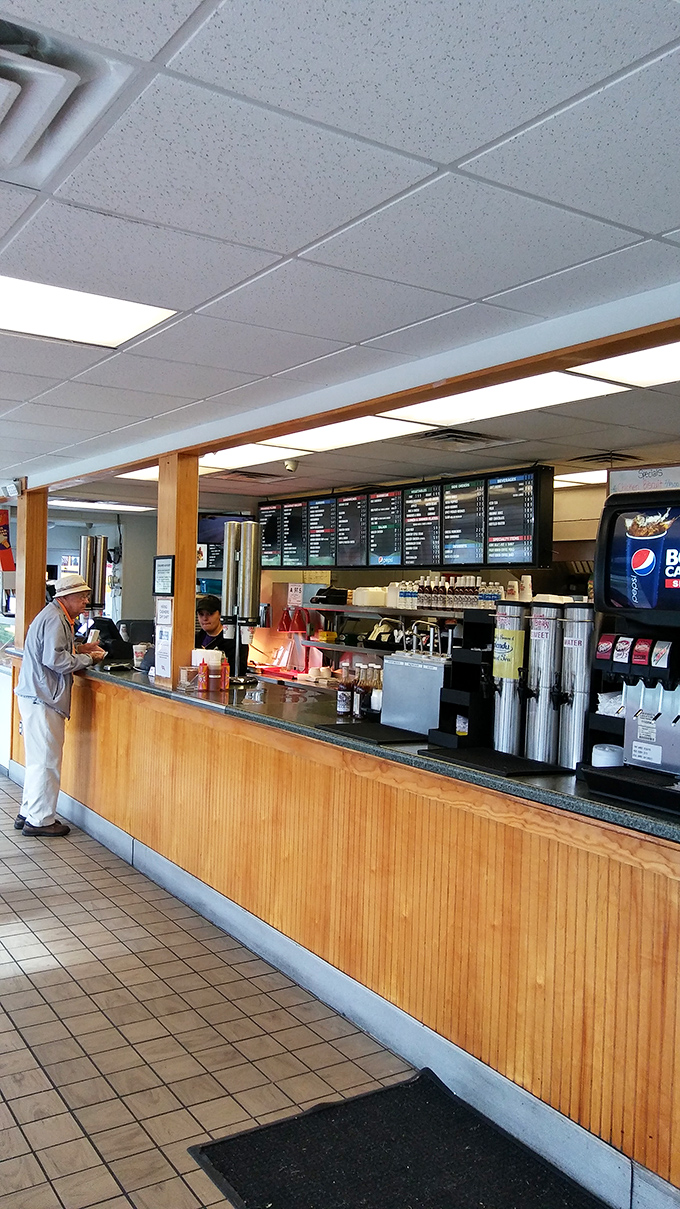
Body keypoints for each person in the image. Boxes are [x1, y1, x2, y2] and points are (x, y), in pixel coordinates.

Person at [14, 573, 105, 837]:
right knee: (47, 761)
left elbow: (56, 650)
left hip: (35, 694)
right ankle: (40, 821)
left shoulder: (54, 615)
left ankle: (28, 811)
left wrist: (80, 647)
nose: (86, 601)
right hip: (44, 697)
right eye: (82, 597)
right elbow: (55, 660)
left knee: (37, 760)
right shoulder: (56, 618)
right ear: (65, 598)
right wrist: (89, 660)